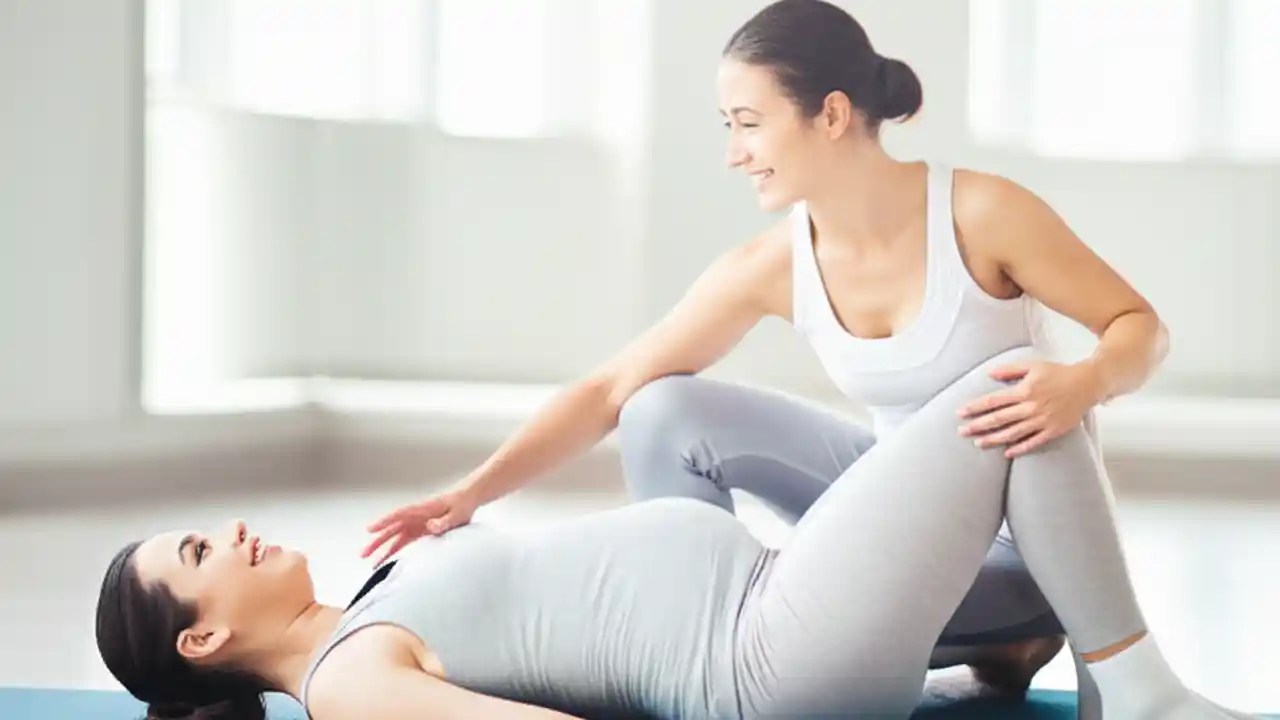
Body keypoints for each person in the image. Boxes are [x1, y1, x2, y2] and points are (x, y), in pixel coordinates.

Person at [364, 0, 1160, 705]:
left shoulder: (982, 212)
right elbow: (611, 387)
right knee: (661, 406)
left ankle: (1017, 639)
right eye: (728, 127)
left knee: (1003, 384)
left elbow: (1138, 327)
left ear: (833, 114)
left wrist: (1084, 381)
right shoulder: (772, 266)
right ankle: (699, 650)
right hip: (904, 542)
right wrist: (469, 495)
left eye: (749, 122)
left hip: (1025, 566)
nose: (734, 151)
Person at [95, 348, 1256, 720]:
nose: (230, 533)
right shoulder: (348, 680)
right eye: (198, 555)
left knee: (677, 408)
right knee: (1011, 392)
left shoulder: (370, 599)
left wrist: (463, 508)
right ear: (199, 645)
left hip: (769, 598)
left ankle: (993, 650)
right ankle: (1134, 690)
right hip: (763, 659)